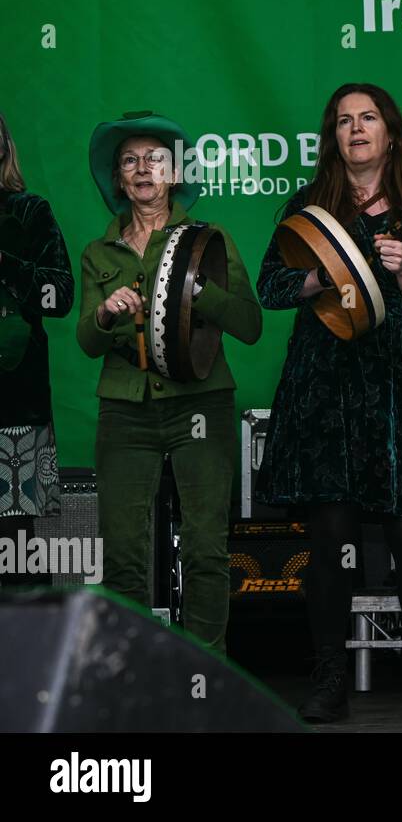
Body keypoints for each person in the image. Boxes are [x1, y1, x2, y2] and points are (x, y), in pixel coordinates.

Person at [257, 83, 402, 722]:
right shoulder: (308, 207)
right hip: (323, 392)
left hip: (396, 392)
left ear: (391, 134)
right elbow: (270, 287)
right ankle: (328, 679)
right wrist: (322, 276)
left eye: (368, 118)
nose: (356, 130)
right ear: (334, 138)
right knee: (330, 540)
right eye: (344, 121)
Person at [76, 111, 262, 651]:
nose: (142, 169)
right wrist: (107, 313)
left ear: (174, 173)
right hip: (125, 410)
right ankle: (136, 677)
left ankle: (205, 675)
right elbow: (87, 342)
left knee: (206, 546)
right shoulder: (97, 252)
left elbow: (250, 325)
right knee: (123, 553)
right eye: (129, 161)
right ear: (118, 179)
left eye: (154, 159)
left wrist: (198, 292)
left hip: (199, 405)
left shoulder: (209, 239)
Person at [0, 111, 74, 583]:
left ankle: (26, 656)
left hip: (15, 409)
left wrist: (6, 263)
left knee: (15, 553)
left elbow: (60, 294)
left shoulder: (30, 211)